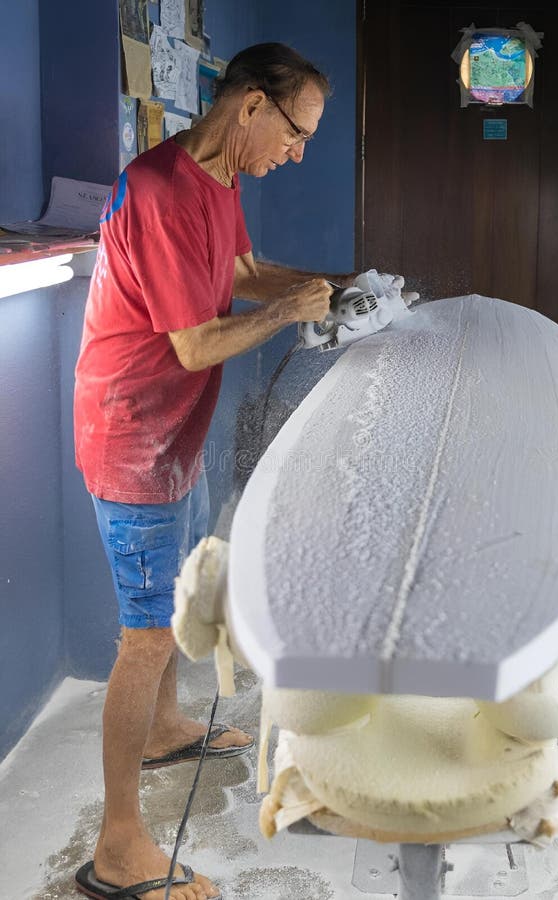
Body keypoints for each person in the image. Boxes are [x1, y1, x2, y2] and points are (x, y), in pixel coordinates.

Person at [73, 42, 354, 900]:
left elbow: (238, 274)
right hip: (133, 436)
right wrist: (285, 315)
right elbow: (195, 342)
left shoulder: (218, 182)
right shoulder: (159, 189)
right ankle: (119, 847)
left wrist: (332, 284)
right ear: (253, 108)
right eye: (297, 132)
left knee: (177, 593)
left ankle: (162, 729)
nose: (298, 151)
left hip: (172, 432)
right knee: (146, 635)